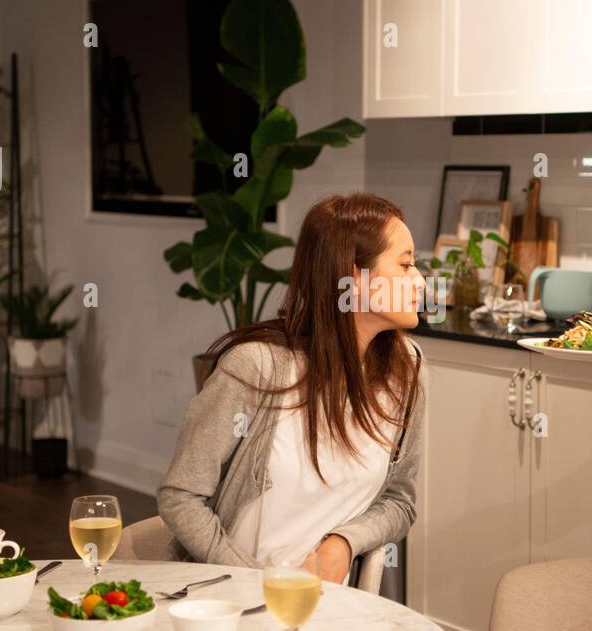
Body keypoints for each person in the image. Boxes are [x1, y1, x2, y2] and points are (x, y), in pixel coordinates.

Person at [157, 193, 427, 586]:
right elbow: (180, 496)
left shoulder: (407, 369)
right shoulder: (257, 368)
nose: (420, 280)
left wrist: (343, 542)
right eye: (405, 265)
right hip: (228, 602)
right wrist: (255, 583)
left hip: (325, 610)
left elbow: (400, 499)